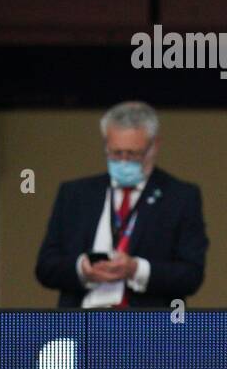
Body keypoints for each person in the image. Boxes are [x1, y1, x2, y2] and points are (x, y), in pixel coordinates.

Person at [35, 101, 208, 308]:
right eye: (116, 153)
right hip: (83, 325)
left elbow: (191, 275)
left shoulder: (180, 197)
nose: (124, 162)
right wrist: (82, 269)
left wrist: (136, 269)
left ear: (154, 146)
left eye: (134, 154)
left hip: (147, 329)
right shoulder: (74, 194)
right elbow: (46, 267)